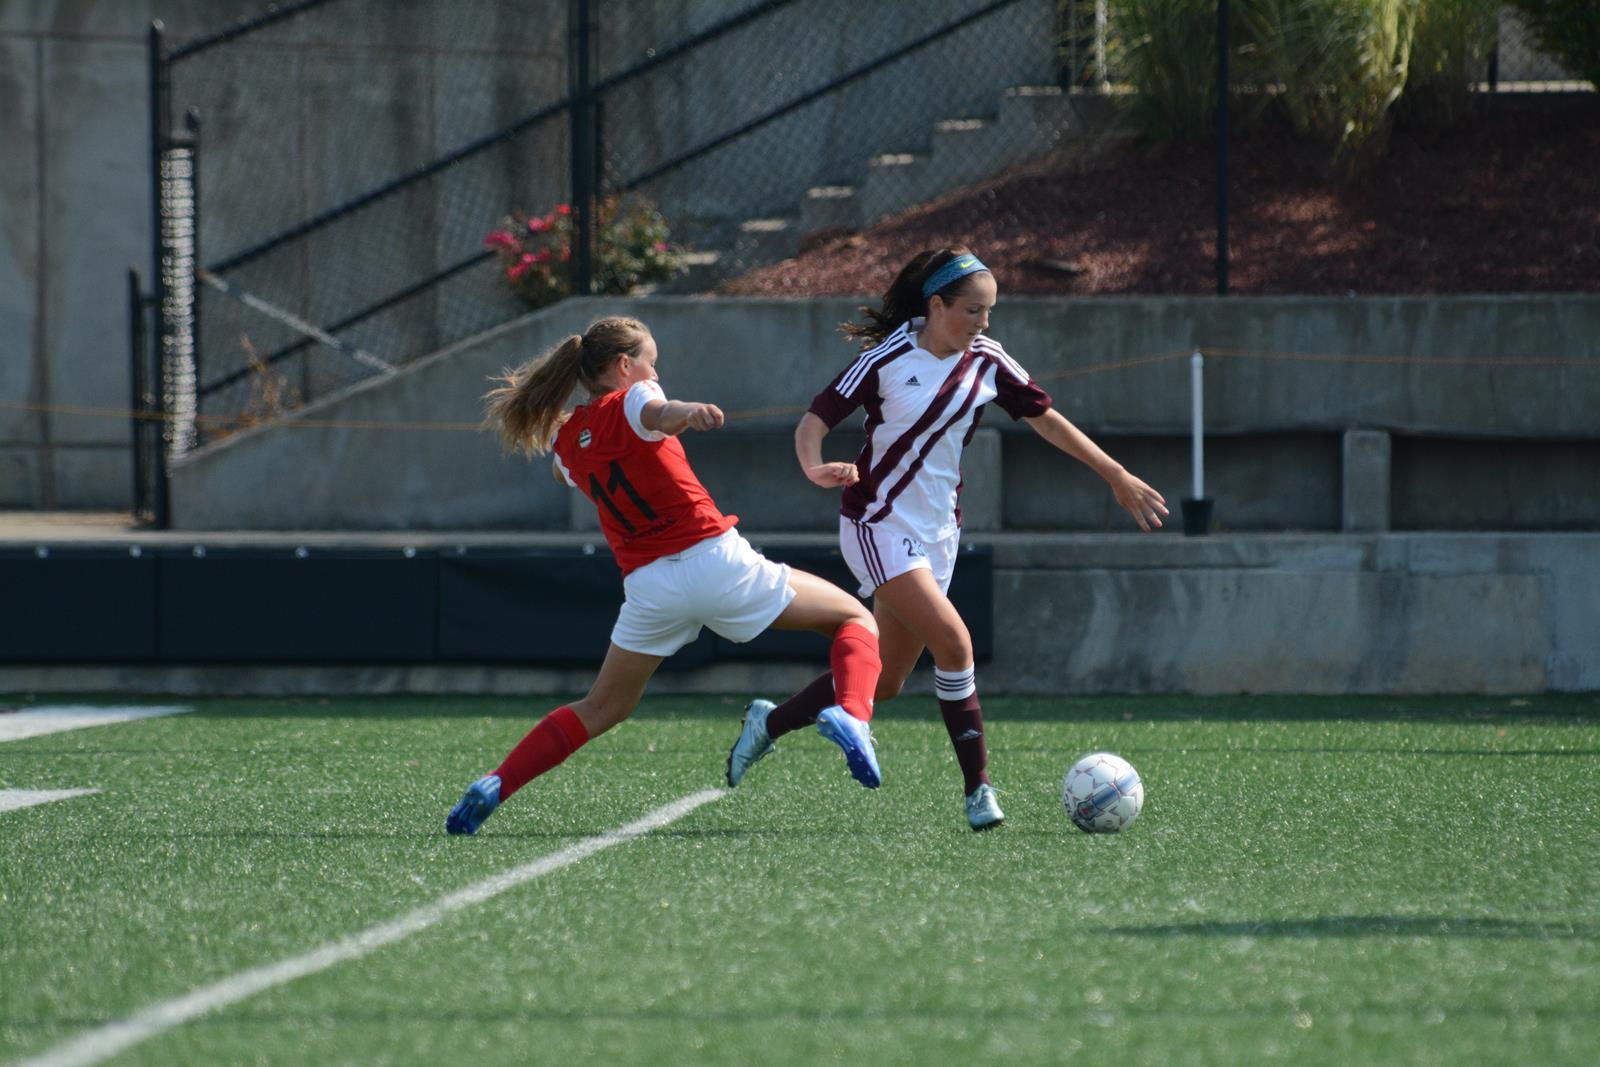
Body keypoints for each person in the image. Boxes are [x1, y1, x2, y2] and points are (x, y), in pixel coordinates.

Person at [728, 247, 1168, 832]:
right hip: (875, 522)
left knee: (882, 682)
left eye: (989, 312)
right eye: (972, 311)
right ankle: (978, 790)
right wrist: (813, 467)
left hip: (938, 536)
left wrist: (1114, 473)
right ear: (936, 306)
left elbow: (1045, 418)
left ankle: (768, 723)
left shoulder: (988, 360)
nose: (982, 324)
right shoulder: (885, 358)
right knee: (955, 644)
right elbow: (814, 422)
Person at [447, 316, 884, 835]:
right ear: (624, 366)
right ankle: (854, 715)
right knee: (854, 619)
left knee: (601, 706)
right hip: (712, 561)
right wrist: (688, 413)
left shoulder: (566, 443)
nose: (656, 370)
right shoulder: (634, 398)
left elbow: (582, 456)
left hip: (650, 588)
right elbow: (656, 411)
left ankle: (498, 782)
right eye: (651, 361)